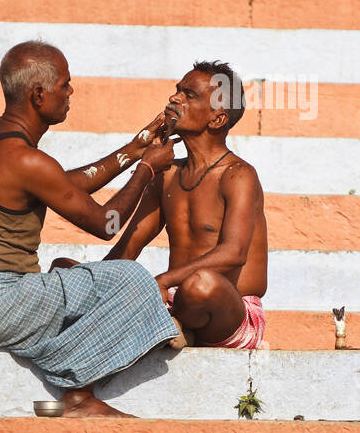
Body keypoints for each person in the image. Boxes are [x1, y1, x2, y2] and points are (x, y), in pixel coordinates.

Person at [0, 40, 179, 417]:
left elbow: (63, 185)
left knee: (68, 270)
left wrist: (133, 149)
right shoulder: (27, 159)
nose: (70, 92)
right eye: (64, 84)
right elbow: (106, 223)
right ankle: (79, 395)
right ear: (38, 95)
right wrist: (146, 170)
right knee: (132, 280)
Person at [105, 60, 268, 349]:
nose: (174, 99)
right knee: (68, 271)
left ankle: (170, 326)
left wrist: (164, 280)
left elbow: (233, 253)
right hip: (176, 303)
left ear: (217, 119)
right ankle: (175, 327)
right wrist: (92, 285)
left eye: (189, 95)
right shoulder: (166, 175)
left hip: (229, 314)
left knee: (200, 284)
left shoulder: (239, 175)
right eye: (178, 90)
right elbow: (128, 247)